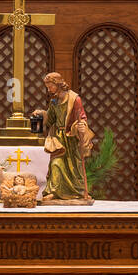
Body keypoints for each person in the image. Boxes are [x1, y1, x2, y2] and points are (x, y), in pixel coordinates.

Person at [38, 72, 94, 204]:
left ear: (57, 84)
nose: (48, 89)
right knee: (56, 164)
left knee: (73, 168)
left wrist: (82, 125)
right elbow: (50, 119)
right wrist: (41, 114)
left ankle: (77, 192)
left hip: (71, 139)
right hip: (58, 139)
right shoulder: (54, 101)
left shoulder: (74, 99)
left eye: (50, 86)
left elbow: (82, 117)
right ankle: (54, 192)